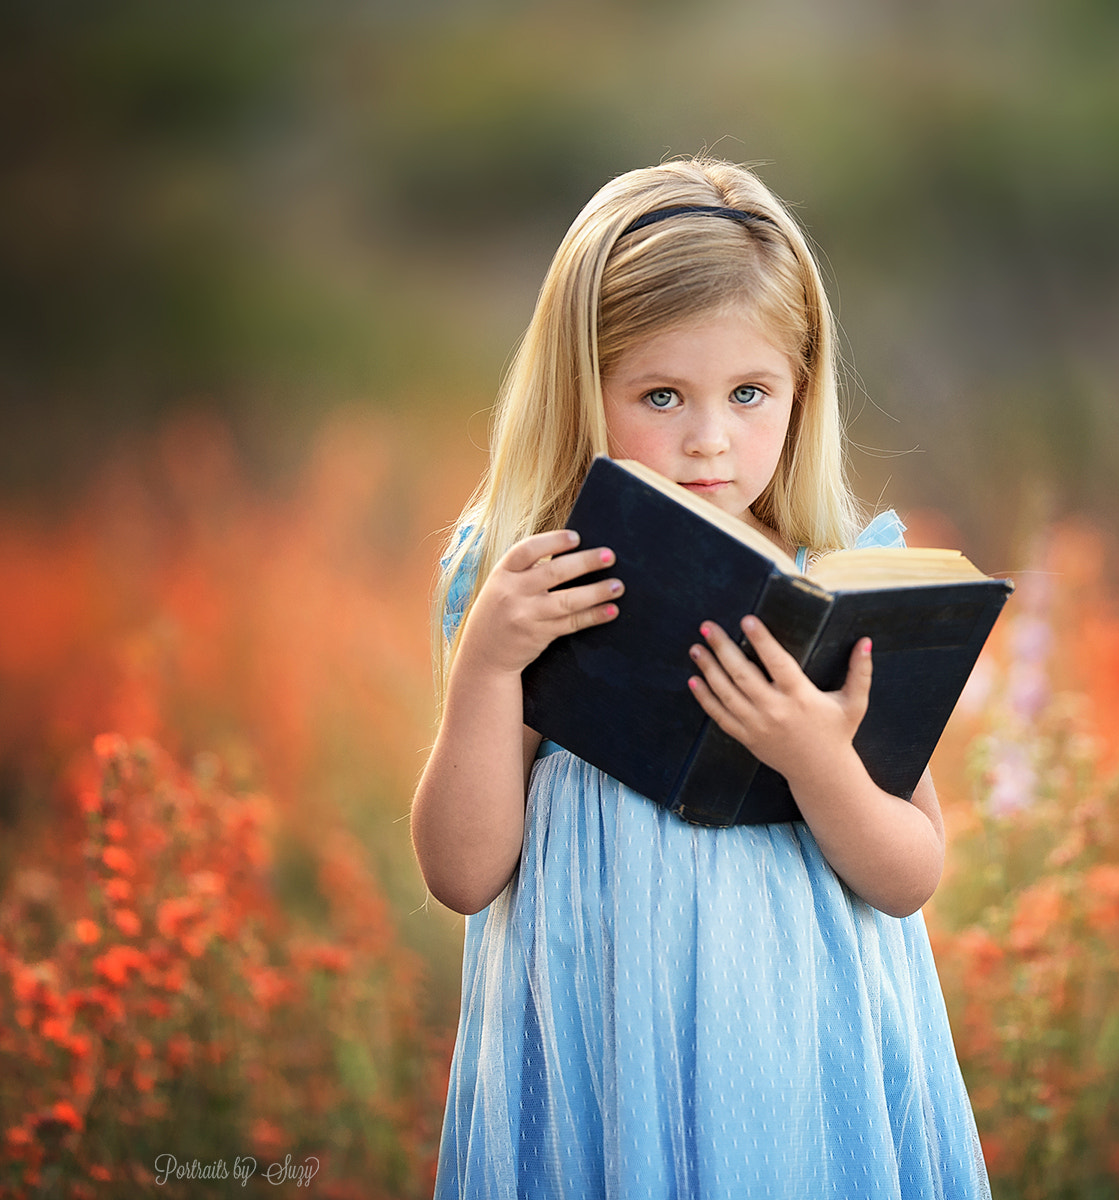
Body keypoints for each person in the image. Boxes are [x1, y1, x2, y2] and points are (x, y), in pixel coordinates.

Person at [414, 157, 991, 1199]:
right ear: (580, 388)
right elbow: (462, 874)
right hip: (601, 1048)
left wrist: (819, 760)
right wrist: (489, 670)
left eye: (749, 393)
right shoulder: (530, 584)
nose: (709, 440)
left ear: (799, 393)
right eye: (662, 394)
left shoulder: (832, 590)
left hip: (801, 1065)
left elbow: (908, 876)